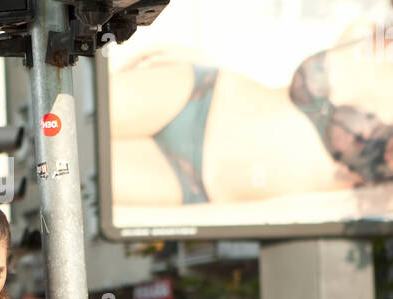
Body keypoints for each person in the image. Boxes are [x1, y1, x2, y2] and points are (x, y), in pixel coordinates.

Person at [109, 30, 393, 207]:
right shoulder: (376, 45)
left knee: (73, 170)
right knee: (71, 110)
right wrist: (206, 59)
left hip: (198, 181)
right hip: (203, 92)